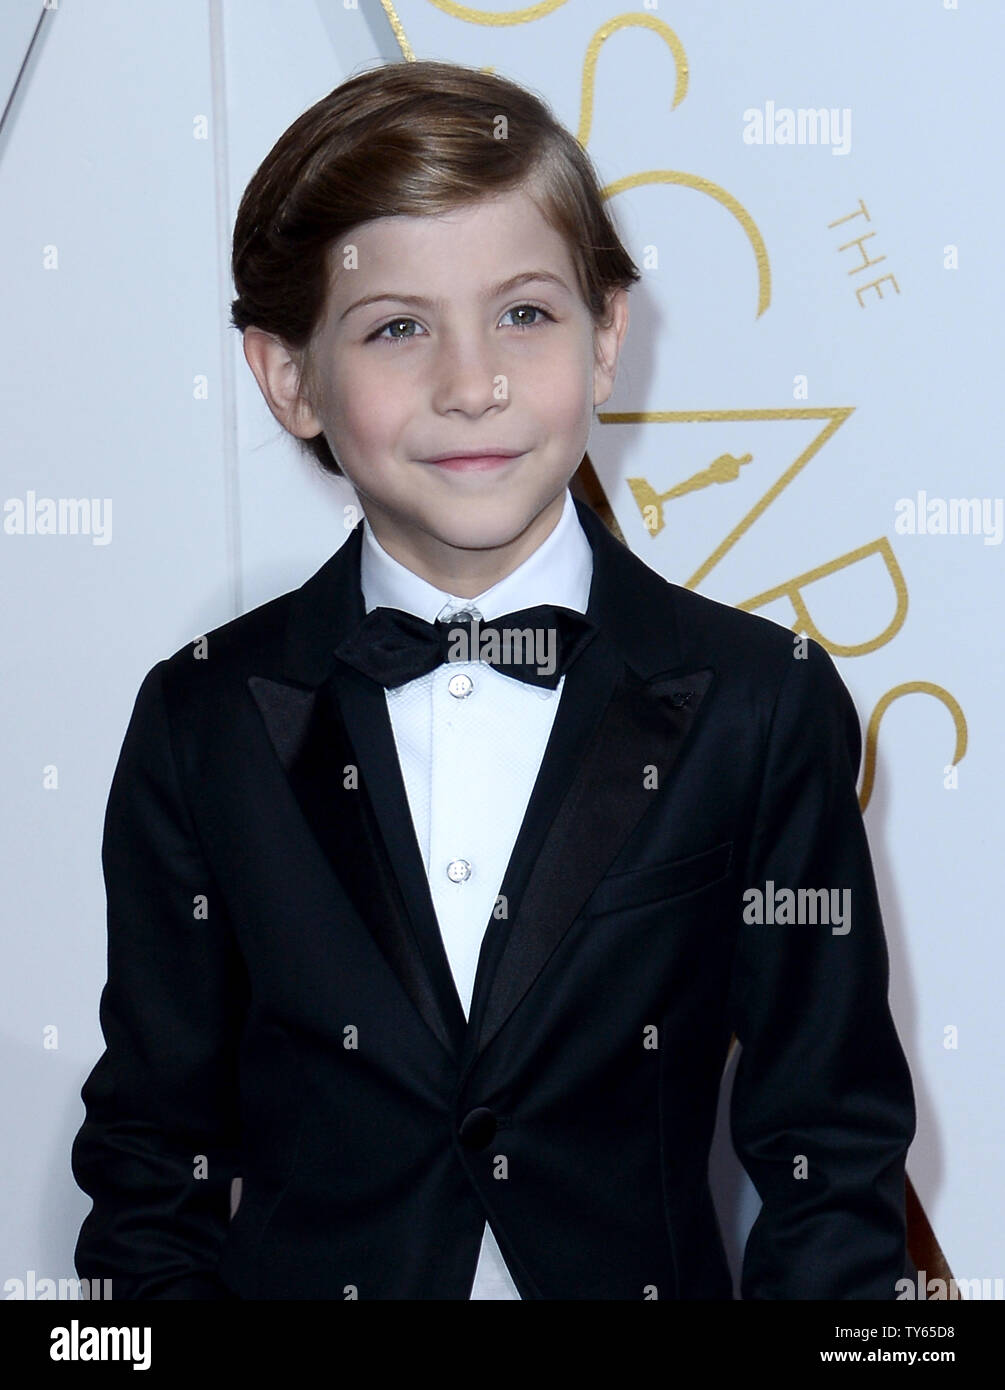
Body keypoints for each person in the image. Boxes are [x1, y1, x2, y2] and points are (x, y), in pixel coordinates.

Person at [71, 59, 915, 1299]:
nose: (473, 383)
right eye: (398, 327)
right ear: (288, 375)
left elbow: (828, 1159)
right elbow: (153, 1169)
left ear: (608, 332)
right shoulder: (202, 719)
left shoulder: (759, 701)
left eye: (525, 312)